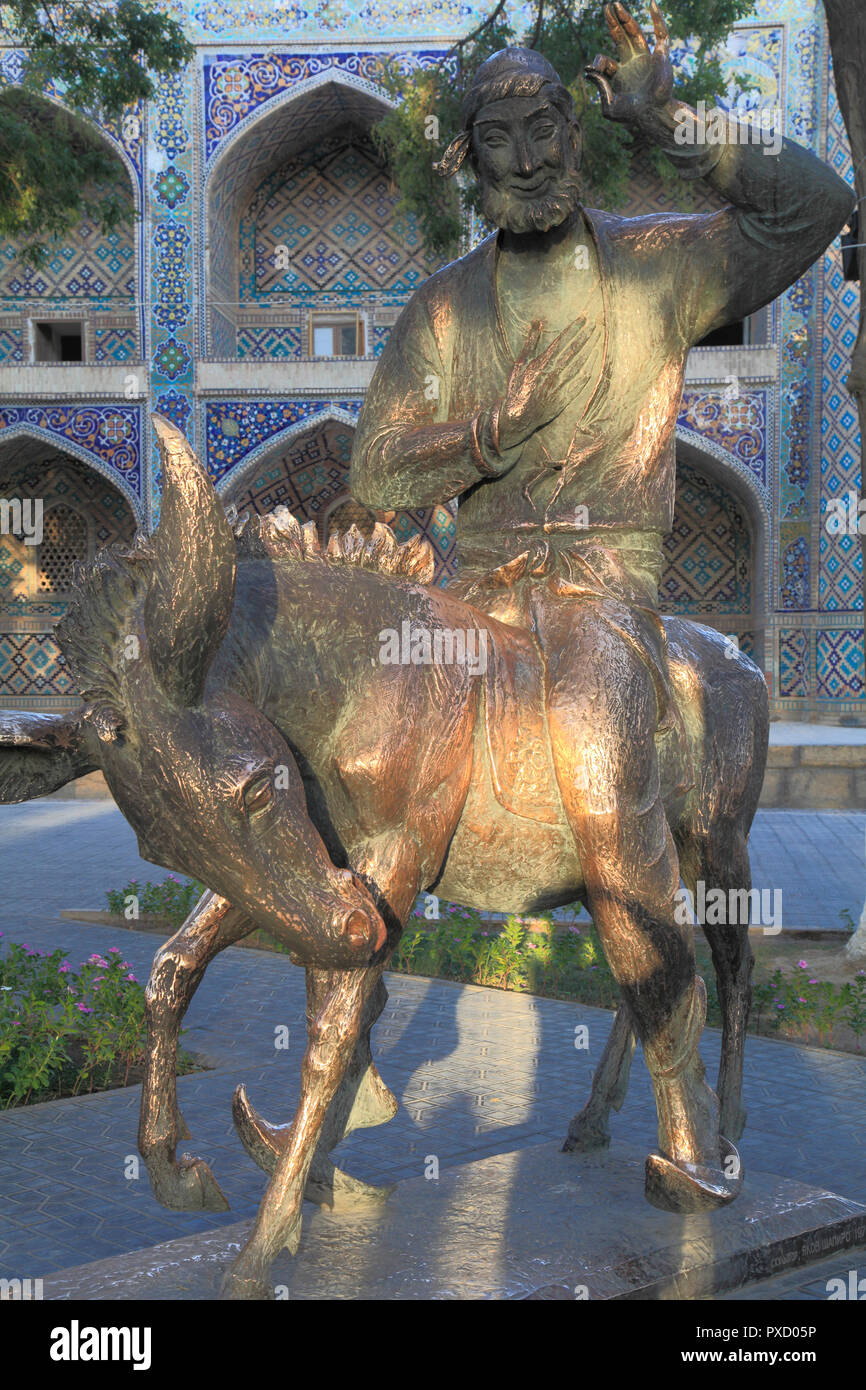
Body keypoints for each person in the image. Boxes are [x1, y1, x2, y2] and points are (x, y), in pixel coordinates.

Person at [350, 2, 854, 1204]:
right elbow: (374, 468)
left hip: (596, 586)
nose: (523, 157)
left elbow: (817, 205)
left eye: (541, 128)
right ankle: (334, 1083)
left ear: (574, 133)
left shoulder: (658, 263)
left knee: (598, 786)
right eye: (496, 137)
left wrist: (676, 118)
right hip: (469, 594)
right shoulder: (442, 309)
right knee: (339, 762)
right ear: (464, 159)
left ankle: (685, 1122)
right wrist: (483, 431)